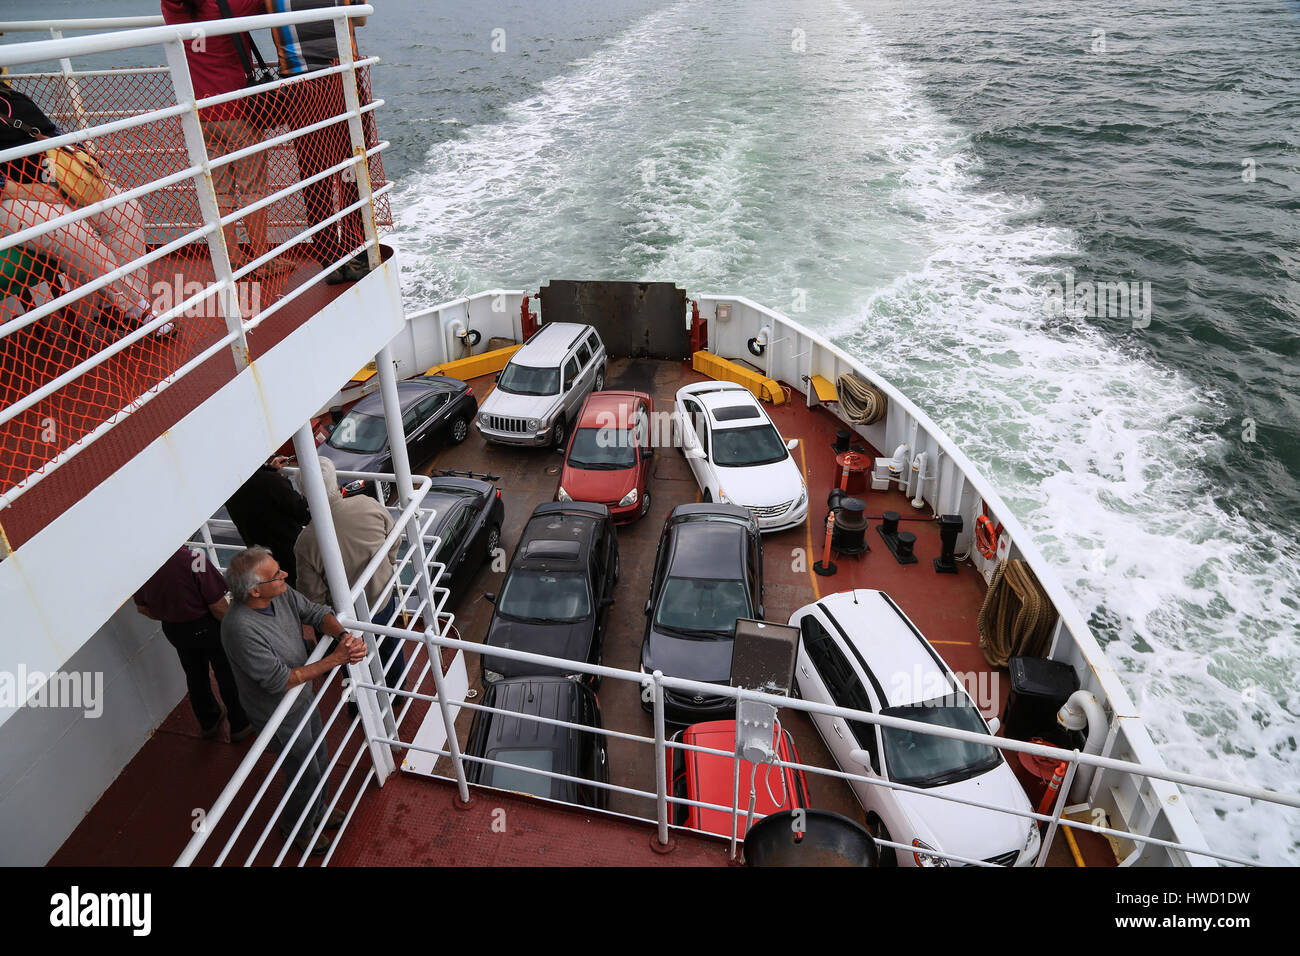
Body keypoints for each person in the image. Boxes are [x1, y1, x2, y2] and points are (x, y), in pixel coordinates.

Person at [221, 545, 366, 854]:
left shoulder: (280, 593)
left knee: (321, 755)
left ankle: (318, 810)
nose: (284, 575)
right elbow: (278, 680)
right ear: (256, 591)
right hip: (276, 713)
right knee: (304, 770)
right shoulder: (239, 628)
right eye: (276, 575)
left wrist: (344, 638)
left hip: (302, 698)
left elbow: (316, 613)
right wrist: (336, 659)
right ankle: (297, 828)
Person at [0, 82, 171, 337]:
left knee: (126, 208)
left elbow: (52, 133)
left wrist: (80, 163)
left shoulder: (8, 94)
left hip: (54, 181)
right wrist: (26, 191)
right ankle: (136, 309)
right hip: (9, 198)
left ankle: (115, 310)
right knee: (71, 228)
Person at [160, 1, 287, 279]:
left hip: (199, 112)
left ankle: (233, 257)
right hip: (236, 110)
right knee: (252, 186)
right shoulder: (229, 4)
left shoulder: (170, 6)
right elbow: (268, 7)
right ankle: (262, 259)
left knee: (219, 189)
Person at [266, 0, 371, 284]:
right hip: (343, 77)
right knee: (353, 166)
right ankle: (356, 251)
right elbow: (360, 19)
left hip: (301, 86)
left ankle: (329, 258)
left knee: (315, 173)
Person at [294, 455, 405, 693]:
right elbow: (394, 540)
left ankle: (359, 701)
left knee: (351, 661)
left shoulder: (306, 542)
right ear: (335, 482)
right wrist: (386, 566)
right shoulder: (367, 504)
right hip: (382, 595)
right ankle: (397, 690)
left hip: (346, 618)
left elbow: (311, 597)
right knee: (390, 644)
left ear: (305, 495)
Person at [134, 544, 253, 741]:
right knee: (226, 673)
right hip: (206, 626)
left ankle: (209, 720)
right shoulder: (193, 558)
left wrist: (171, 614)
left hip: (174, 629)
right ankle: (240, 724)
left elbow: (143, 608)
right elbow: (217, 606)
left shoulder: (143, 565)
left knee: (195, 675)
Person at [225, 454, 311, 588]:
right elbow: (305, 515)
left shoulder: (230, 487)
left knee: (282, 595)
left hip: (262, 559)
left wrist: (269, 470)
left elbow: (255, 487)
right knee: (303, 593)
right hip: (291, 555)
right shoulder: (271, 482)